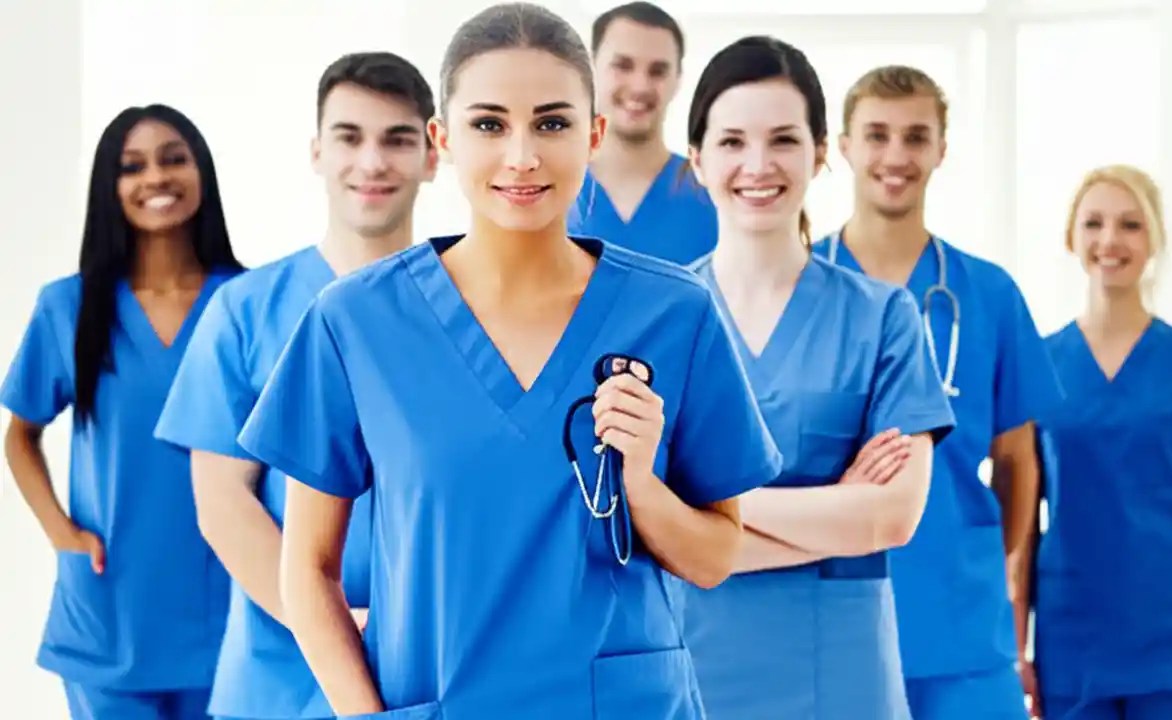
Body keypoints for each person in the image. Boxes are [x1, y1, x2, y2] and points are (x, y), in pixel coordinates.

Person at [234, 4, 782, 718]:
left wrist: (642, 482)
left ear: (593, 135)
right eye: (489, 124)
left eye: (552, 124)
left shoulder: (674, 315)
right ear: (444, 140)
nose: (521, 155)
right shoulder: (355, 321)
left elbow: (714, 558)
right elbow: (307, 571)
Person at [676, 36, 956, 720]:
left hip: (839, 669)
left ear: (821, 153)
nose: (758, 165)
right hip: (689, 660)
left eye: (783, 140)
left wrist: (700, 513)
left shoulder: (883, 316)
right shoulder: (656, 320)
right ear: (698, 159)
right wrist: (835, 509)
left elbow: (892, 515)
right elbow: (634, 527)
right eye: (733, 141)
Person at [152, 52, 437, 720]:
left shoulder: (468, 310)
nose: (372, 163)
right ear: (316, 151)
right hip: (280, 683)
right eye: (349, 137)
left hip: (431, 662)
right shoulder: (246, 311)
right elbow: (223, 503)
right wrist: (333, 625)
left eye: (398, 139)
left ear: (433, 153)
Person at [810, 65, 1061, 719]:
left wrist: (977, 549)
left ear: (941, 150)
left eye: (916, 137)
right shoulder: (797, 289)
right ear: (843, 147)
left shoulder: (989, 293)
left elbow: (1017, 461)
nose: (896, 156)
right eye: (877, 135)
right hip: (826, 607)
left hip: (960, 617)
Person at [2, 104, 243, 720]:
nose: (155, 178)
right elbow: (20, 435)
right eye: (131, 166)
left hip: (228, 608)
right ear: (109, 188)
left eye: (173, 159)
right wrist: (61, 533)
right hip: (109, 614)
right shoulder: (68, 308)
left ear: (202, 171)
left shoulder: (249, 302)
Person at [1030, 165, 1172, 720]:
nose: (1110, 241)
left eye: (1130, 225)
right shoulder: (1038, 366)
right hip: (1072, 632)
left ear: (1154, 239)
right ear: (1071, 237)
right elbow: (1021, 521)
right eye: (1094, 224)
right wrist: (1015, 645)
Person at [568, 1, 718, 264]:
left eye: (658, 71)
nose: (640, 86)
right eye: (623, 66)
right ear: (589, 68)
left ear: (678, 78)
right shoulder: (549, 188)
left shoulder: (713, 194)